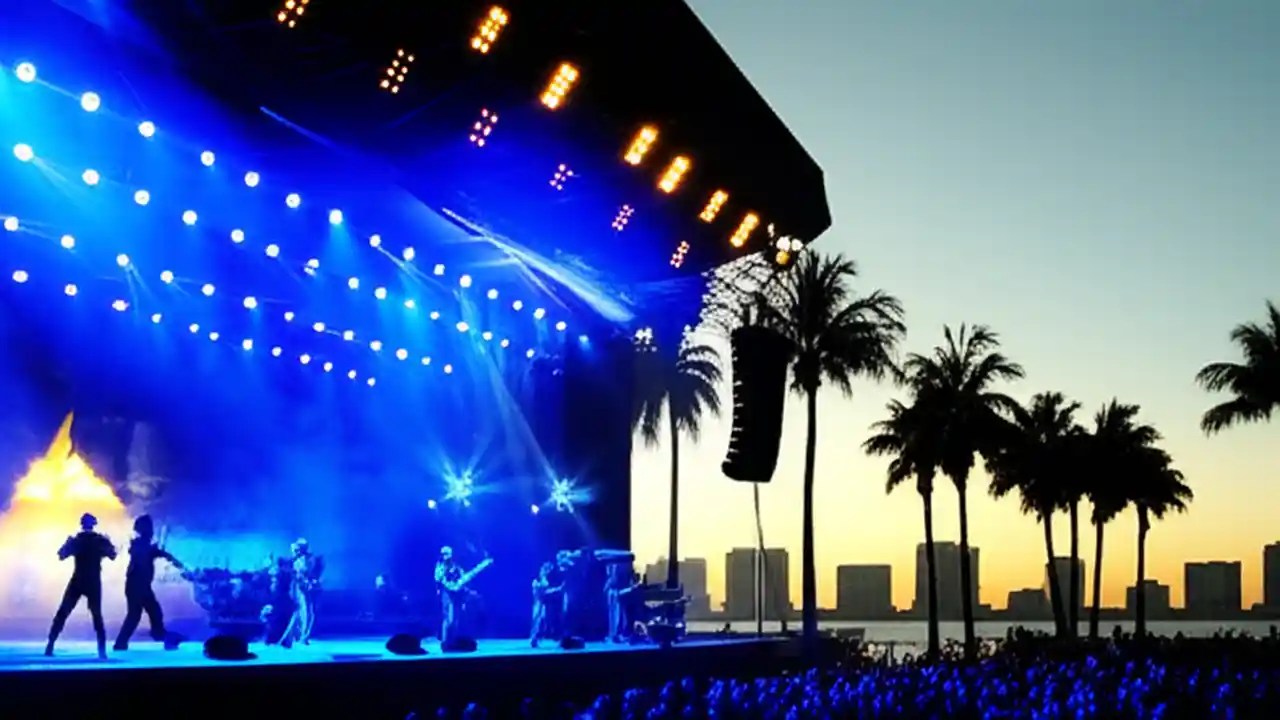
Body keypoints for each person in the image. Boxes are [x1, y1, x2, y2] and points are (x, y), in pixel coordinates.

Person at [46, 513, 117, 659]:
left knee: (63, 613)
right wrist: (108, 544)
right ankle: (101, 651)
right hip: (93, 582)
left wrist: (68, 543)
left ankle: (50, 645)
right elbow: (112, 555)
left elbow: (61, 555)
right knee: (97, 616)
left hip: (78, 580)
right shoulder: (99, 540)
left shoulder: (78, 540)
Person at [114, 515, 184, 650]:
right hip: (137, 587)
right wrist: (171, 559)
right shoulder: (140, 546)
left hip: (139, 587)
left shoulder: (143, 545)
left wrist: (175, 562)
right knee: (141, 614)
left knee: (145, 614)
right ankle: (158, 635)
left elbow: (161, 554)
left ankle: (157, 635)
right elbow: (151, 553)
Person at [280, 538, 323, 648]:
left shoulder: (305, 559)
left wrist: (310, 580)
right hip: (299, 589)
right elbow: (298, 575)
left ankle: (299, 637)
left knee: (306, 613)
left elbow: (308, 574)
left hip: (303, 589)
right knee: (303, 613)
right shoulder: (297, 560)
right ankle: (295, 637)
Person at [530, 562, 562, 648]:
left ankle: (538, 638)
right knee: (537, 621)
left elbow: (546, 591)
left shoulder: (544, 580)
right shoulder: (537, 581)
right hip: (538, 603)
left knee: (543, 621)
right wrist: (557, 589)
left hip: (542, 604)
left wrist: (556, 589)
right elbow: (543, 592)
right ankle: (534, 638)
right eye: (546, 570)